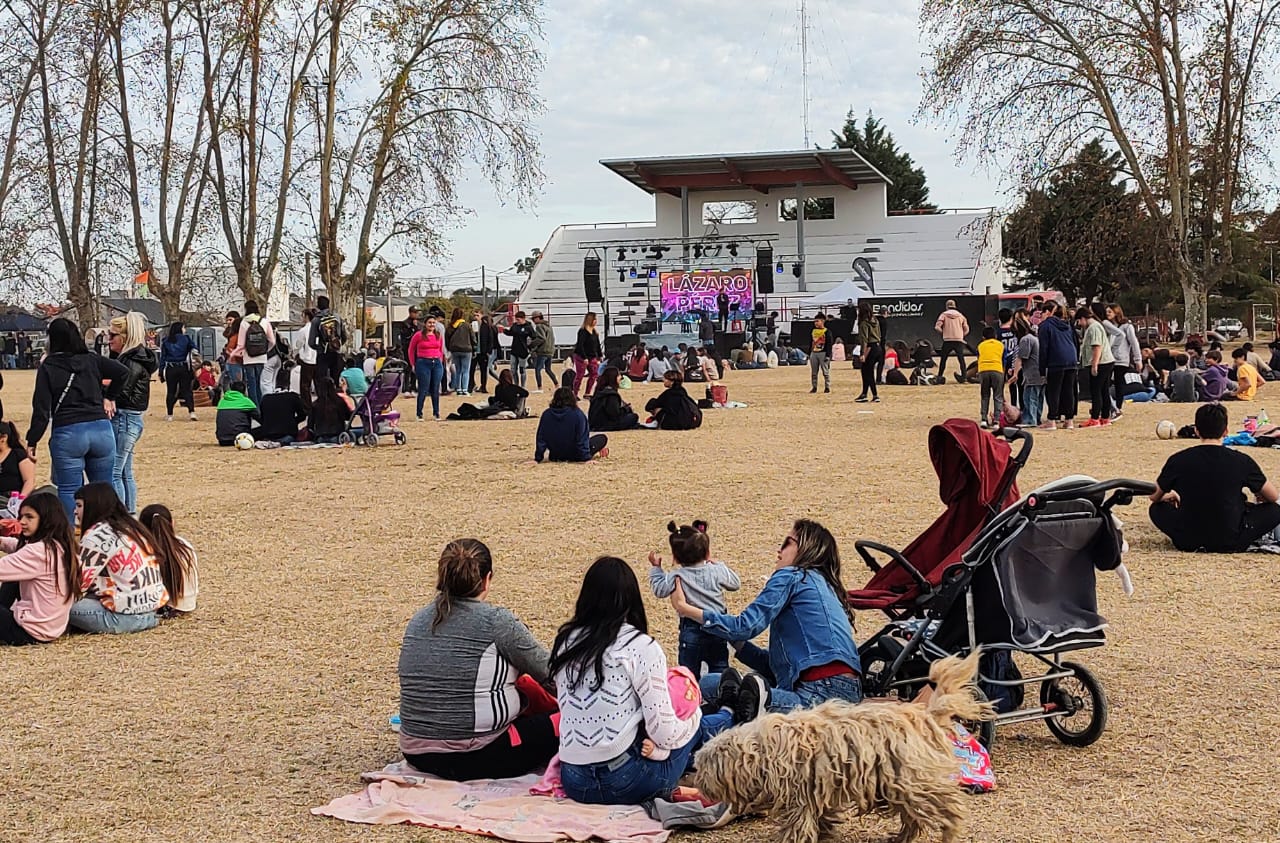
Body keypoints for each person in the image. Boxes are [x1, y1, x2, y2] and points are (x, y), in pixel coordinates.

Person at [550, 557, 743, 806]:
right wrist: (692, 717)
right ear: (632, 599)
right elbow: (665, 733)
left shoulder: (566, 642)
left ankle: (720, 710)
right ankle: (730, 713)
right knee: (693, 727)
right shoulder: (639, 646)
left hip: (574, 779)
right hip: (626, 779)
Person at [399, 539, 558, 780]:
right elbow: (552, 674)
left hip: (417, 752)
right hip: (478, 755)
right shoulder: (497, 622)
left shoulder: (418, 621)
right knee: (575, 721)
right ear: (487, 579)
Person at [670, 519, 863, 712]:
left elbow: (744, 627)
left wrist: (685, 608)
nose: (779, 551)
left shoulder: (792, 575)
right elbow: (777, 667)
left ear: (807, 548)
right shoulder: (823, 586)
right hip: (848, 692)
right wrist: (735, 643)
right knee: (721, 683)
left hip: (817, 695)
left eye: (787, 543)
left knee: (706, 688)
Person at [26, 318, 128, 519]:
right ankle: (109, 534)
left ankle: (71, 541)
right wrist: (109, 396)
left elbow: (41, 409)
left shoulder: (49, 366)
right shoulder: (92, 359)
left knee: (68, 490)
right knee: (104, 490)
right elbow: (122, 372)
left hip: (68, 431)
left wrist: (32, 440)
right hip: (101, 429)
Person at [1150, 403, 1280, 552]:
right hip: (1232, 539)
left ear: (1197, 431)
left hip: (1188, 538)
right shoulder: (1241, 461)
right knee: (1274, 510)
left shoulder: (1179, 459)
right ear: (1226, 431)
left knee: (1157, 509)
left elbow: (1154, 496)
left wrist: (1171, 495)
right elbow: (1273, 496)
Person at [69, 483, 167, 634]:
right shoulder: (132, 527)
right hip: (152, 610)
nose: (75, 511)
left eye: (79, 505)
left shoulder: (96, 536)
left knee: (54, 604)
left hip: (123, 617)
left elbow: (78, 583)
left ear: (93, 506)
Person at [648, 520, 740, 676]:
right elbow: (735, 584)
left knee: (688, 673)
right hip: (718, 625)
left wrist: (656, 569)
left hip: (691, 628)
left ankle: (690, 696)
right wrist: (719, 565)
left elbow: (659, 590)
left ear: (675, 557)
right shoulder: (715, 571)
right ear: (706, 552)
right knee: (719, 667)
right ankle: (721, 692)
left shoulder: (677, 575)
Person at [0, 493, 78, 645]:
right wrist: (2, 542)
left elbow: (23, 556)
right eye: (21, 516)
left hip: (28, 631)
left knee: (14, 574)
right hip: (50, 627)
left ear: (46, 520)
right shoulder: (60, 546)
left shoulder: (37, 552)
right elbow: (20, 550)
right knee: (15, 575)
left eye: (29, 517)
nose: (22, 522)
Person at [106, 312, 157, 515]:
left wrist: (105, 390)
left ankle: (121, 516)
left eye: (112, 336)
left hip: (125, 418)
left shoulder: (131, 363)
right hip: (131, 418)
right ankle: (130, 513)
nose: (109, 340)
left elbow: (123, 391)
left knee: (114, 472)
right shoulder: (135, 359)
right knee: (125, 472)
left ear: (124, 338)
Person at [140, 504, 198, 615]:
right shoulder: (185, 546)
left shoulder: (144, 550)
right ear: (172, 523)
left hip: (160, 607)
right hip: (187, 604)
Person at [535, 388, 607, 462]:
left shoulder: (546, 414)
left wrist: (538, 458)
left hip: (556, 455)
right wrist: (586, 458)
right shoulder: (578, 414)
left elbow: (541, 438)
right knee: (602, 438)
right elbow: (581, 439)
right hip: (576, 455)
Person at [1077, 304, 1116, 428]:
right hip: (1106, 362)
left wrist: (1094, 365)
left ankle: (1095, 418)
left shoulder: (1093, 327)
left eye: (1079, 321)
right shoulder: (1097, 326)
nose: (1079, 324)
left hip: (1101, 363)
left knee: (1096, 391)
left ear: (1083, 318)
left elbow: (1097, 346)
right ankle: (1105, 417)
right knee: (1104, 390)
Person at [234, 300, 275, 406]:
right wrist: (265, 350)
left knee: (251, 385)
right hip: (262, 358)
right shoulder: (264, 321)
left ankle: (254, 408)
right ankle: (263, 407)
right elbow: (272, 341)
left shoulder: (244, 323)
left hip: (248, 358)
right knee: (260, 383)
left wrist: (233, 354)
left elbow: (241, 344)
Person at [408, 315, 446, 421]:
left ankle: (436, 412)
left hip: (436, 362)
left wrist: (441, 361)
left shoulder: (438, 335)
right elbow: (411, 349)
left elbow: (441, 350)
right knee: (423, 389)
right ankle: (419, 413)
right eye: (430, 322)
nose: (432, 325)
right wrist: (413, 364)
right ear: (425, 324)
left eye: (434, 323)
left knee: (435, 388)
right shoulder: (418, 335)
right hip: (423, 362)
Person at [1106, 305, 1142, 416]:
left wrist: (1138, 359)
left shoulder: (1126, 327)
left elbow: (1134, 342)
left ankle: (1118, 406)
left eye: (1109, 311)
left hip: (1121, 359)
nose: (1107, 314)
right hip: (1109, 358)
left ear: (1116, 312)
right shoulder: (1108, 326)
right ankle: (1109, 405)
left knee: (1119, 383)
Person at [1010, 313, 1045, 427]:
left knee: (1029, 397)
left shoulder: (1026, 339)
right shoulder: (1035, 338)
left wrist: (1015, 373)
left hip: (1032, 374)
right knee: (1038, 398)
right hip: (1041, 373)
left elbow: (1020, 358)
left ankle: (1030, 420)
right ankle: (1037, 418)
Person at [159, 322, 197, 421]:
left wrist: (160, 371)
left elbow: (162, 358)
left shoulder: (166, 340)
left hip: (170, 368)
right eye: (184, 327)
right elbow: (195, 349)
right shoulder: (186, 339)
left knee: (171, 391)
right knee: (187, 390)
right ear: (180, 328)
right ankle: (192, 412)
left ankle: (170, 414)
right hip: (184, 367)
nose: (185, 330)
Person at [258, 368, 308, 443]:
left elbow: (262, 418)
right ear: (289, 383)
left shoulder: (265, 398)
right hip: (287, 435)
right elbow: (303, 415)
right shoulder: (293, 397)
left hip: (268, 436)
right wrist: (292, 421)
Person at [310, 295, 348, 384]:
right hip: (336, 353)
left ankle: (324, 397)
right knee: (335, 380)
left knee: (322, 380)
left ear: (318, 306)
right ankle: (335, 396)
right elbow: (345, 336)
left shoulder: (316, 320)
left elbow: (311, 342)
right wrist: (337, 345)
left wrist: (319, 348)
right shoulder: (337, 317)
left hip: (323, 354)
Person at [497, 311, 538, 389]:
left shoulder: (528, 327)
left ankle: (523, 386)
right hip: (514, 350)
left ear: (523, 319)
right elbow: (511, 333)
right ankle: (516, 385)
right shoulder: (515, 325)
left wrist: (530, 347)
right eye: (516, 319)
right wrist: (504, 330)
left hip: (523, 351)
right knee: (513, 369)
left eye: (518, 319)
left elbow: (534, 337)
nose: (517, 321)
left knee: (522, 370)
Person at [935, 299, 970, 383]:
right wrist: (961, 335)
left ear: (947, 306)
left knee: (943, 359)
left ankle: (940, 376)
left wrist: (943, 333)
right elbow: (967, 329)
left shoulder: (943, 315)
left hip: (947, 340)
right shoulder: (961, 316)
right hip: (958, 340)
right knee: (961, 359)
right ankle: (964, 377)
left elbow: (937, 327)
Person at [308, 377, 353, 443]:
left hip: (320, 437)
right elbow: (348, 417)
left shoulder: (316, 404)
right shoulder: (339, 401)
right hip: (337, 435)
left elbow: (310, 424)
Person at [977, 325, 1005, 428]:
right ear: (995, 336)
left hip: (983, 370)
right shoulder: (1000, 345)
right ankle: (996, 421)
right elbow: (1004, 359)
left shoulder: (981, 345)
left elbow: (978, 357)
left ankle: (984, 419)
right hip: (997, 369)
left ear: (983, 337)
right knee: (998, 396)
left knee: (985, 395)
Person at [855, 302, 882, 403]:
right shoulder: (875, 320)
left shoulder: (864, 323)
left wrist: (862, 353)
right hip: (877, 347)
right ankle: (864, 393)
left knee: (867, 372)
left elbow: (864, 339)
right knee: (867, 371)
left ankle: (874, 395)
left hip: (869, 348)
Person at [445, 307, 475, 396]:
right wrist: (474, 347)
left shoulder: (450, 326)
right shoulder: (467, 325)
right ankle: (465, 389)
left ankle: (458, 389)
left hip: (455, 350)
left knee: (458, 370)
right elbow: (473, 338)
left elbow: (447, 338)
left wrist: (449, 348)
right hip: (466, 349)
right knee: (466, 370)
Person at [0, 420, 34, 498]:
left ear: (4, 438)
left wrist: (21, 499)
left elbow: (28, 480)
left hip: (12, 499)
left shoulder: (18, 455)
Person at [571, 313, 602, 399]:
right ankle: (575, 393)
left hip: (592, 357)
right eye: (594, 319)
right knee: (580, 375)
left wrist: (600, 355)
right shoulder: (582, 331)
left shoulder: (595, 332)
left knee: (594, 374)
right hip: (581, 356)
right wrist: (584, 357)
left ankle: (587, 392)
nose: (596, 321)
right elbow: (580, 345)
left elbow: (597, 345)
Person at [529, 312, 557, 393]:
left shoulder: (539, 326)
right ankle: (557, 384)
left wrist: (531, 345)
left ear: (538, 318)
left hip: (543, 351)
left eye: (534, 319)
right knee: (548, 369)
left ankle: (539, 387)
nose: (533, 321)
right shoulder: (549, 326)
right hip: (550, 351)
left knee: (538, 369)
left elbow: (541, 338)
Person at [397, 306, 420, 396]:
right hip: (407, 348)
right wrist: (412, 327)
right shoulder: (405, 324)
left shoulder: (418, 324)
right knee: (408, 368)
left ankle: (413, 387)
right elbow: (405, 336)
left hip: (416, 349)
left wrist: (416, 326)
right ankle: (406, 388)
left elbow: (419, 334)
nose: (416, 314)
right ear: (410, 313)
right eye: (415, 312)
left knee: (415, 368)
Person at [475, 313, 500, 394]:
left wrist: (486, 351)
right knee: (488, 369)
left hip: (487, 351)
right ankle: (485, 385)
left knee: (487, 369)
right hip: (492, 350)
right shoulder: (493, 328)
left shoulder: (485, 328)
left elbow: (485, 340)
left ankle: (500, 380)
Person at [809, 313, 833, 394]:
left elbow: (829, 344)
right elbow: (811, 342)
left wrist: (828, 355)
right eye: (814, 321)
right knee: (814, 372)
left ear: (822, 321)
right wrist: (810, 352)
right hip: (814, 352)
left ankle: (827, 386)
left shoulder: (827, 331)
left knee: (825, 372)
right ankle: (814, 386)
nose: (815, 323)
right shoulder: (813, 331)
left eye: (817, 321)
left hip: (823, 353)